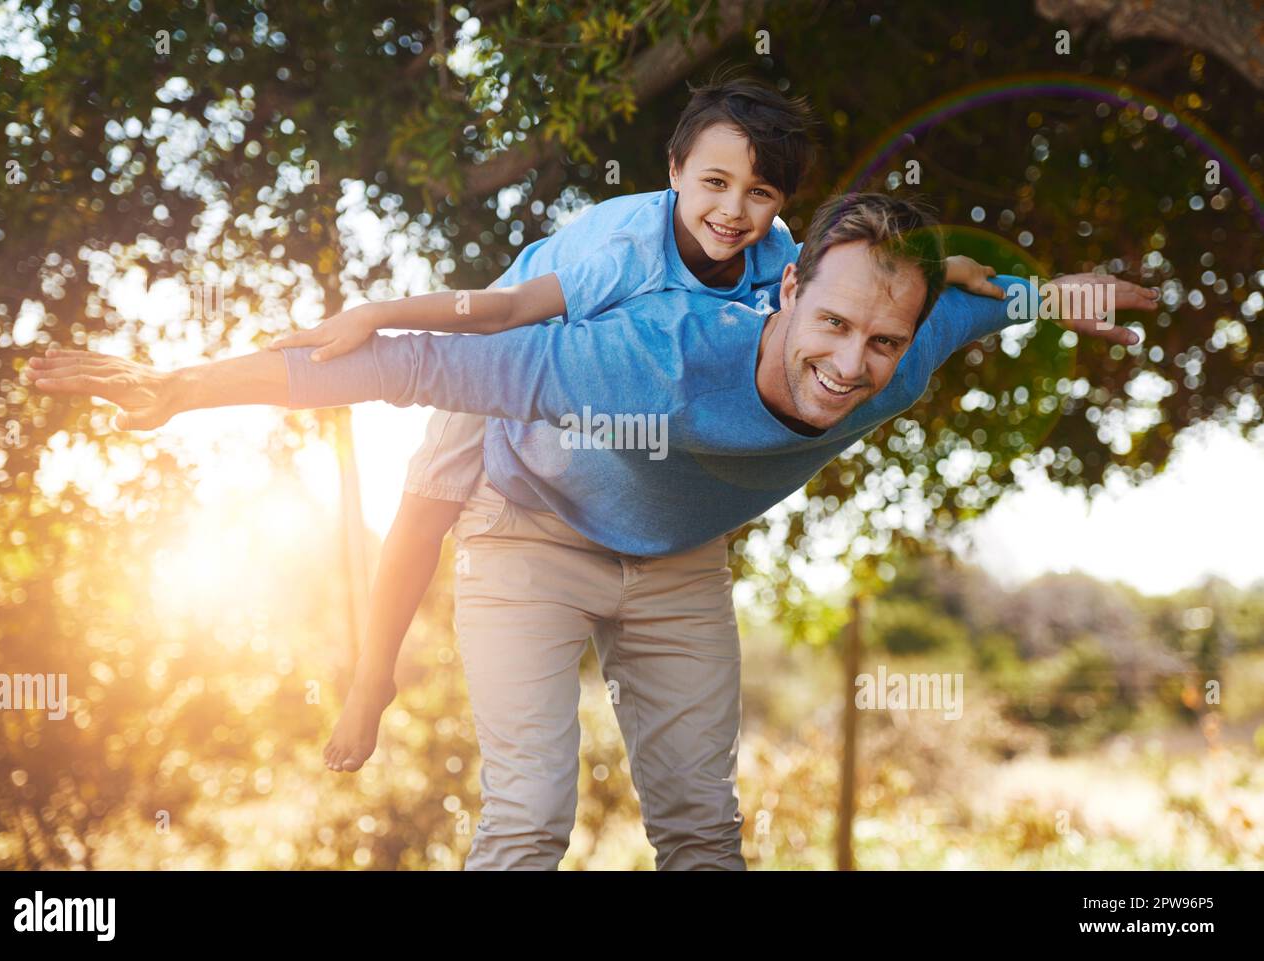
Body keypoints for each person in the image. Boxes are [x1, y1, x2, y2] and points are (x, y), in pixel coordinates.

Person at [30, 192, 1158, 869]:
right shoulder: (646, 352)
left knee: (703, 830)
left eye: (880, 341)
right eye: (834, 324)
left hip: (674, 564)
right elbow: (400, 359)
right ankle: (368, 676)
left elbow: (1003, 297)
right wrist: (182, 384)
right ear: (786, 293)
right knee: (529, 816)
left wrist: (1081, 293)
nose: (850, 363)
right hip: (528, 535)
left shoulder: (907, 346)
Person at [265, 77, 1000, 775]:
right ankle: (371, 678)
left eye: (760, 194)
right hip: (507, 333)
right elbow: (503, 312)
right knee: (427, 504)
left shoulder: (778, 253)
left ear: (780, 204)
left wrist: (949, 263)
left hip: (584, 380)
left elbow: (868, 270)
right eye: (715, 183)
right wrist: (375, 314)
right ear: (675, 169)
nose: (735, 210)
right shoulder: (622, 246)